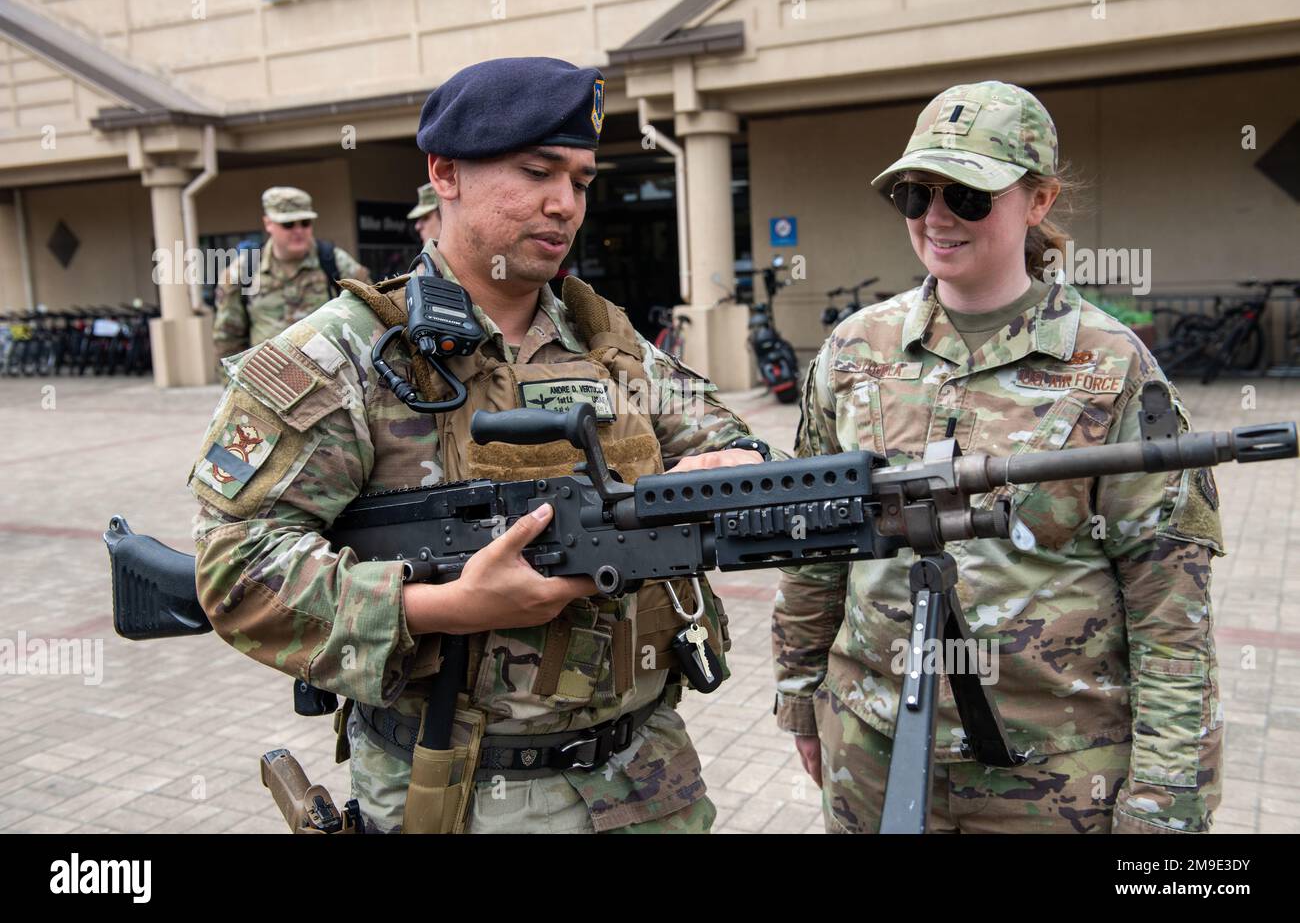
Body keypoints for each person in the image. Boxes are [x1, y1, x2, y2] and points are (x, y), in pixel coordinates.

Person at [189, 57, 766, 834]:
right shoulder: (343, 356)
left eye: (582, 181)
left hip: (646, 778)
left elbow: (722, 437)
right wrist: (444, 606)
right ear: (444, 174)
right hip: (459, 791)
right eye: (536, 171)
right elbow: (234, 565)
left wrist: (739, 466)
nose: (564, 204)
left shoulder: (608, 340)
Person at [773, 80, 1224, 834]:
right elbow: (812, 546)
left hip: (1051, 774)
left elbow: (1170, 603)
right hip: (873, 749)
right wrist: (800, 695)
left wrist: (1168, 798)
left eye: (969, 195)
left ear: (1039, 200)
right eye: (916, 194)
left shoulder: (1111, 366)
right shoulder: (854, 351)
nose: (937, 217)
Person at [211, 186, 370, 361]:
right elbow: (227, 339)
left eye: (305, 223)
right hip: (268, 378)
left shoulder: (336, 262)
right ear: (268, 224)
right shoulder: (243, 270)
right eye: (288, 224)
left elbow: (368, 316)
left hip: (330, 376)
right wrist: (237, 384)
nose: (298, 230)